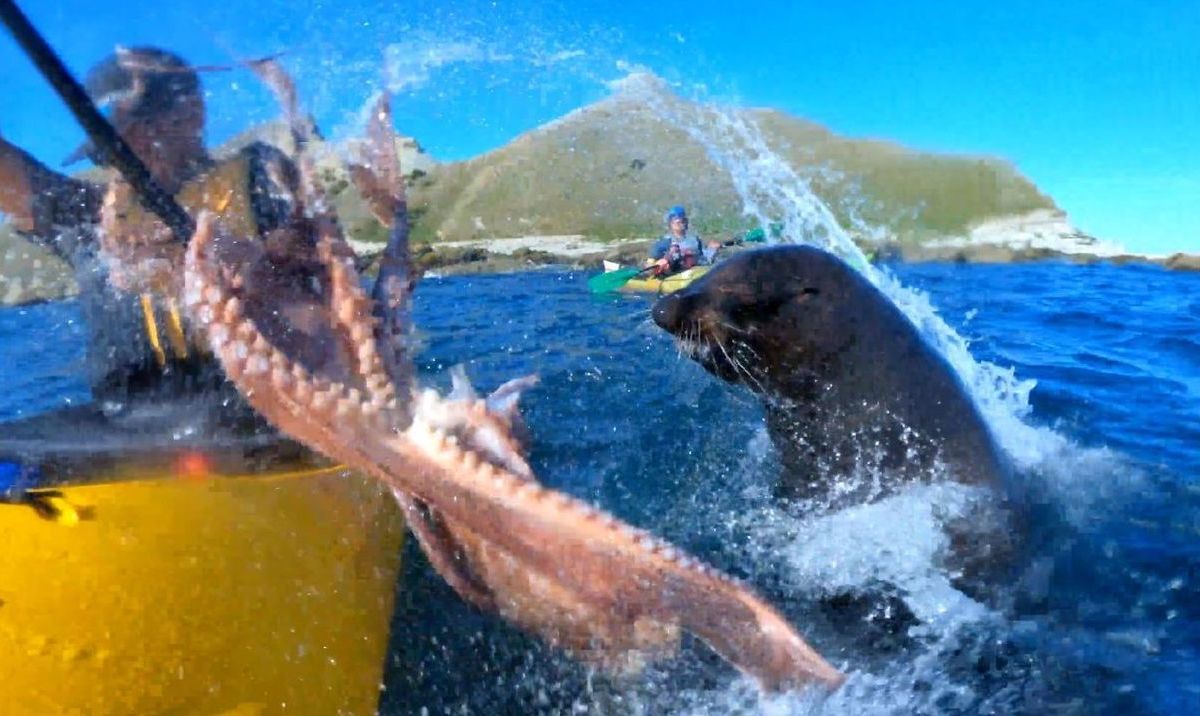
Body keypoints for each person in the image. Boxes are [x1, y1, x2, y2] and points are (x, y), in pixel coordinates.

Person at [0, 46, 302, 411]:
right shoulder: (89, 216)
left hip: (270, 416)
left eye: (133, 135)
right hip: (131, 426)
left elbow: (315, 282)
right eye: (103, 150)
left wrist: (248, 266)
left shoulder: (259, 180)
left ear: (191, 115)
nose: (118, 158)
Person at [647, 205, 721, 277]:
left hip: (694, 274)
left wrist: (712, 250)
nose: (681, 222)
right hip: (673, 276)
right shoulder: (662, 244)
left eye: (683, 220)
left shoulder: (695, 240)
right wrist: (657, 265)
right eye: (677, 221)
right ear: (670, 224)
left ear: (687, 222)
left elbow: (705, 260)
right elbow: (649, 268)